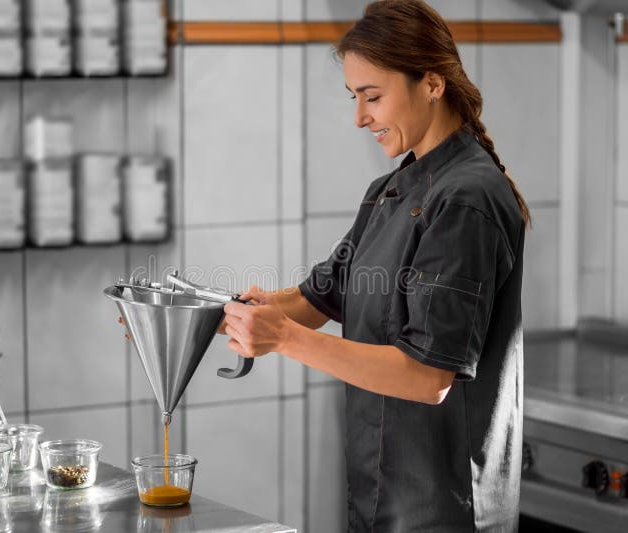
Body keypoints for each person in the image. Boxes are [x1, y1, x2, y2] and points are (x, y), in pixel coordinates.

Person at [222, 1, 529, 531]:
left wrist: (285, 339)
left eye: (373, 97)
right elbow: (318, 300)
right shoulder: (390, 190)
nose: (360, 117)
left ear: (432, 84)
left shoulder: (466, 200)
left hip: (442, 509)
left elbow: (429, 375)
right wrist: (188, 317)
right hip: (381, 497)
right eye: (355, 98)